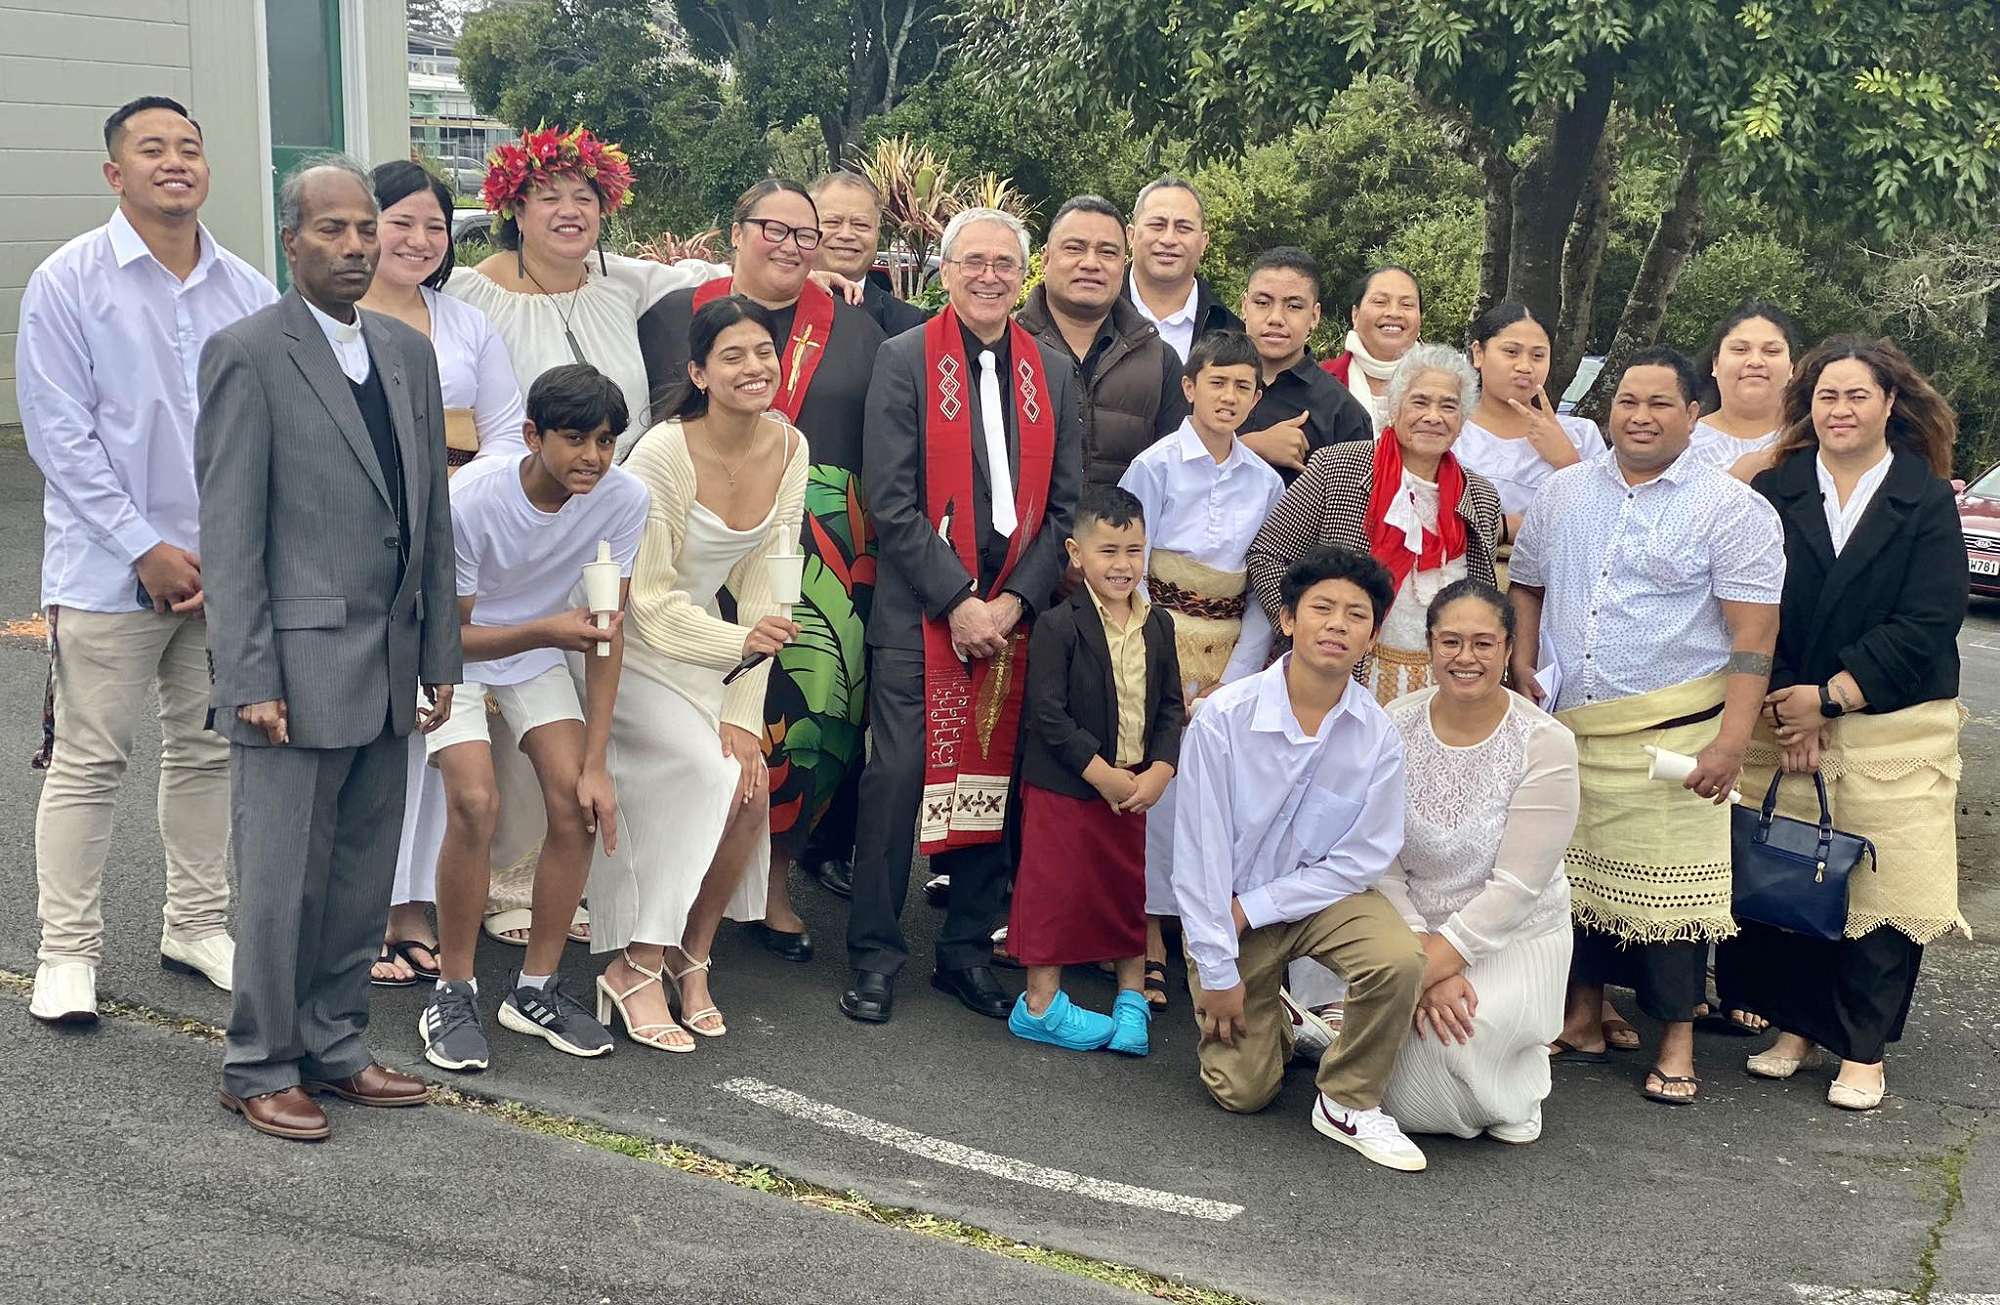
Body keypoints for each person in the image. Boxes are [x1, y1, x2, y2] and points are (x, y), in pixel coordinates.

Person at [196, 156, 459, 1140]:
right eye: (335, 230)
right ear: (291, 239)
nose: (357, 246)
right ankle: (259, 1062)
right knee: (278, 882)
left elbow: (428, 515)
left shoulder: (403, 351)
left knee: (360, 875)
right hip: (294, 672)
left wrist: (438, 653)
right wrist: (248, 672)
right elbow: (231, 533)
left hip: (390, 665)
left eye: (368, 230)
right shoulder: (247, 352)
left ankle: (335, 1043)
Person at [19, 95, 276, 1024]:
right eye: (152, 149)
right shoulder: (67, 281)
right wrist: (145, 547)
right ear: (113, 173)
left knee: (208, 752)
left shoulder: (248, 289)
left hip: (225, 573)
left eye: (191, 148)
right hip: (106, 569)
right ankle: (66, 953)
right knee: (89, 761)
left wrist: (233, 553)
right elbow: (59, 432)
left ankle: (197, 923)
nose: (176, 162)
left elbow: (266, 431)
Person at [445, 125, 725, 945]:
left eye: (586, 197)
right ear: (513, 207)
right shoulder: (471, 291)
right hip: (503, 515)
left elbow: (707, 273)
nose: (571, 212)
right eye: (549, 196)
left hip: (605, 519)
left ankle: (554, 877)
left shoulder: (620, 283)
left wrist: (837, 283)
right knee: (487, 725)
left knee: (572, 698)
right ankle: (487, 878)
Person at [1507, 345, 1783, 1106]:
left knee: (1672, 899)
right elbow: (1526, 582)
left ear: (1694, 415)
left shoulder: (1731, 508)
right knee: (1574, 881)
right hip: (1573, 726)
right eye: (1628, 400)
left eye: (1661, 402)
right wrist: (1524, 664)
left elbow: (1754, 635)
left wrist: (1732, 741)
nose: (1640, 415)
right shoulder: (1565, 492)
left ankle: (1675, 1039)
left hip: (1678, 731)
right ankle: (1583, 1015)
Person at [843, 206, 1083, 1025]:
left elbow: (1064, 509)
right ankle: (875, 951)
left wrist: (1012, 602)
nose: (989, 276)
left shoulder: (1049, 371)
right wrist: (959, 600)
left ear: (1025, 276)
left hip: (1016, 614)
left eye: (1004, 264)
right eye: (972, 261)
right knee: (898, 777)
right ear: (945, 272)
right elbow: (891, 498)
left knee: (996, 778)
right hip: (922, 610)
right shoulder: (905, 359)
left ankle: (966, 951)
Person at [639, 179, 887, 963]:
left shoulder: (860, 326)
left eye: (804, 234)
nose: (788, 244)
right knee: (696, 726)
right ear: (737, 231)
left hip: (820, 553)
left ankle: (773, 885)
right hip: (692, 537)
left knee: (806, 718)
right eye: (771, 229)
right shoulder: (671, 313)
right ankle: (670, 890)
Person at [1722, 337, 1970, 1112]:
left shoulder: (1924, 497)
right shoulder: (1778, 485)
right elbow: (1758, 599)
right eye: (1827, 396)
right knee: (1796, 880)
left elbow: (1929, 617)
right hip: (1786, 711)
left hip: (1889, 723)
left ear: (1890, 403)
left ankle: (1862, 1050)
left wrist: (1832, 696)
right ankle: (1796, 1030)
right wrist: (1794, 704)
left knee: (1881, 892)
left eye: (1857, 395)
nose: (1841, 410)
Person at [417, 364, 647, 1073]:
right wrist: (549, 629)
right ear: (530, 435)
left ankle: (535, 989)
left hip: (539, 648)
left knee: (576, 803)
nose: (592, 457)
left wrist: (598, 761)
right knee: (475, 800)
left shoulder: (624, 498)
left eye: (606, 440)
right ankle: (453, 989)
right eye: (574, 437)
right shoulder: (473, 499)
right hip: (450, 652)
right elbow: (448, 635)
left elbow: (606, 632)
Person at [592, 296, 806, 1053]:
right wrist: (738, 640)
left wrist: (745, 710)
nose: (754, 368)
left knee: (750, 791)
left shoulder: (789, 443)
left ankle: (691, 956)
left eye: (764, 353)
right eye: (733, 357)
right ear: (698, 373)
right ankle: (633, 964)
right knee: (709, 773)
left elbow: (773, 579)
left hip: (718, 649)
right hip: (629, 652)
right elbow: (646, 604)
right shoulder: (661, 453)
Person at [1171, 545, 1427, 1172]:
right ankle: (1278, 1013)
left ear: (1371, 636)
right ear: (1288, 619)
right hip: (1222, 912)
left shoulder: (1376, 735)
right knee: (1243, 1092)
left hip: (1313, 901)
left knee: (1398, 958)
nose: (1338, 624)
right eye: (1323, 608)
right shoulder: (1223, 720)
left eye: (1356, 615)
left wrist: (1252, 908)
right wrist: (1219, 970)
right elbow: (1198, 856)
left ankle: (1347, 1099)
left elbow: (1362, 858)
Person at [356, 158, 530, 988]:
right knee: (360, 726)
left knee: (435, 718)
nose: (420, 239)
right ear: (366, 223)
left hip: (447, 545)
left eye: (435, 225)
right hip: (352, 549)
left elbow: (504, 433)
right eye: (402, 221)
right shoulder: (331, 316)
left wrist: (446, 500)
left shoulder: (464, 325)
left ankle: (409, 903)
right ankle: (353, 901)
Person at [1376, 580, 1579, 1144]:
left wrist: (1433, 965)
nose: (1466, 658)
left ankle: (1518, 1086)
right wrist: (1423, 956)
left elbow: (1517, 887)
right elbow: (1381, 861)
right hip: (1416, 929)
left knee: (1457, 1041)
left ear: (1509, 649)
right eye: (1451, 642)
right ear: (1430, 646)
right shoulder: (1395, 722)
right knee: (1404, 1099)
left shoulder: (1546, 741)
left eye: (1483, 644)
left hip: (1515, 935)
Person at [1118, 329, 1284, 1009]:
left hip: (1227, 656)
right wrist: (1153, 660)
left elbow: (1263, 588)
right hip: (1157, 639)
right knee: (1154, 789)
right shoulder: (1155, 466)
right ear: (1190, 387)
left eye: (1244, 385)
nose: (1230, 396)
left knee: (1212, 799)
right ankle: (1147, 934)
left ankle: (1203, 931)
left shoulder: (1267, 482)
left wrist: (1237, 675)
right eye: (1217, 382)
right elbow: (1128, 565)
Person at [1008, 485, 1184, 1054]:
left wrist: (1160, 770)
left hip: (1134, 784)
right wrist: (1100, 772)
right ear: (1076, 554)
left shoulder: (1158, 626)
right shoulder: (1060, 625)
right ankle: (1039, 1003)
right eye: (1108, 551)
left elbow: (1169, 708)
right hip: (1070, 783)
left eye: (1134, 550)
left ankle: (1131, 1000)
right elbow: (1046, 715)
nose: (1123, 564)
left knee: (1124, 888)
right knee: (1054, 889)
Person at [1246, 344, 1504, 703]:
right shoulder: (1337, 468)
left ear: (1462, 420)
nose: (1433, 416)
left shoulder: (1479, 496)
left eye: (1448, 405)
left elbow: (1480, 598)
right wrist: (1308, 635)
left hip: (1441, 690)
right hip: (1340, 677)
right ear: (1395, 409)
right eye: (1419, 402)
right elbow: (1266, 556)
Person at [1017, 194, 1187, 487]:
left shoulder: (1160, 361)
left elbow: (1175, 479)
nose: (1091, 263)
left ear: (1123, 264)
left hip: (1125, 532)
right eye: (1074, 248)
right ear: (1045, 258)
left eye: (1107, 252)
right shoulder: (1005, 348)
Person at [1450, 302, 1603, 537]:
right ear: (1478, 354)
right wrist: (1505, 527)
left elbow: (1606, 521)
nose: (1525, 366)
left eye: (1538, 356)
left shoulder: (1580, 435)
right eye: (1511, 352)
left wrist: (1567, 461)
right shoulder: (1450, 431)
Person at [1235, 247, 1372, 484]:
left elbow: (1351, 512)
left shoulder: (1342, 412)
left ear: (1315, 316)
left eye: (1294, 306)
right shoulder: (1208, 383)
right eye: (1262, 302)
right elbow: (1173, 466)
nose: (1275, 318)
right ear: (1244, 306)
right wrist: (1248, 448)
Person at [1124, 176, 1242, 363]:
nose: (1169, 239)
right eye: (1157, 225)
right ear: (1130, 236)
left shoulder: (1230, 331)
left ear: (1204, 242)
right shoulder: (1094, 313)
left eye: (1184, 228)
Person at [810, 170, 929, 337]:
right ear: (808, 229)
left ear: (877, 234)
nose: (846, 234)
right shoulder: (776, 302)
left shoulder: (908, 325)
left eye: (861, 225)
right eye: (832, 222)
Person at [1691, 301, 1802, 478]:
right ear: (1715, 364)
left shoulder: (1814, 441)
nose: (1755, 361)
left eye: (1771, 351)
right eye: (1740, 349)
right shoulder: (1681, 443)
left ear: (1791, 367)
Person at [1320, 266, 1423, 435]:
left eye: (1407, 304)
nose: (1394, 313)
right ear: (1355, 314)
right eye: (1380, 302)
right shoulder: (1320, 381)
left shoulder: (1445, 386)